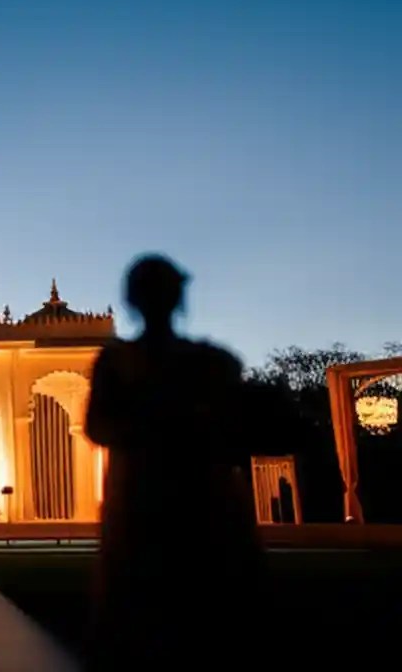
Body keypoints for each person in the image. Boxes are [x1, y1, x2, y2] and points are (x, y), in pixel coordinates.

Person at [84, 254, 267, 670]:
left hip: (144, 503)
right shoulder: (215, 362)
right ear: (181, 297)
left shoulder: (118, 362)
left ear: (130, 301)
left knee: (139, 613)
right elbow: (241, 427)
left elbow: (99, 428)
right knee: (209, 615)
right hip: (201, 502)